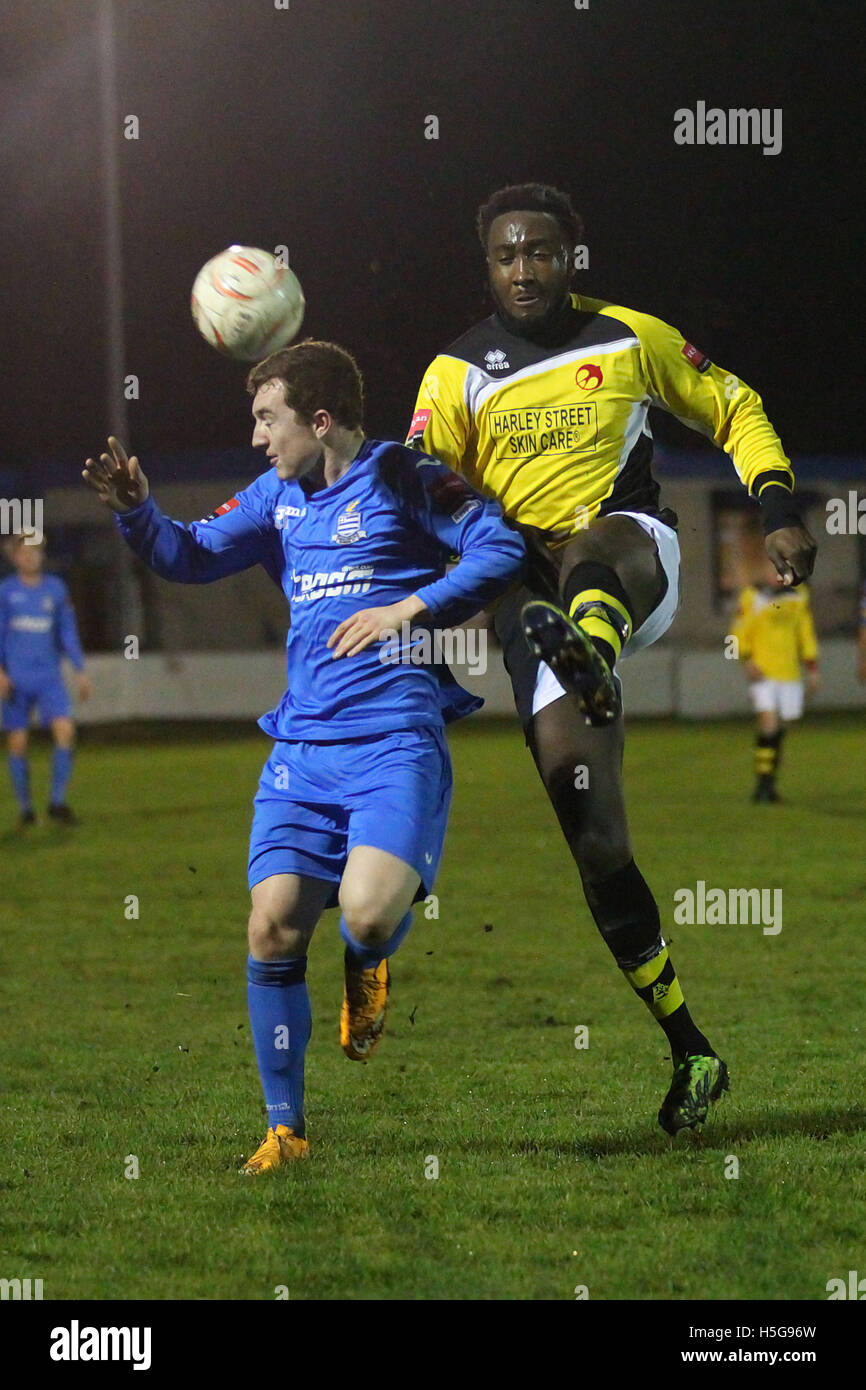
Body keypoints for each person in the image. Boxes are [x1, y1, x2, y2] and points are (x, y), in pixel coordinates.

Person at [407, 182, 817, 1134]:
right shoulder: (455, 374)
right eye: (508, 255)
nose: (524, 270)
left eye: (542, 252)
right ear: (488, 264)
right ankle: (692, 1047)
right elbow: (423, 484)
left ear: (570, 258)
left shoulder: (629, 337)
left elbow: (731, 402)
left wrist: (779, 510)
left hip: (635, 558)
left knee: (591, 549)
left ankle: (590, 648)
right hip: (529, 597)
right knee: (589, 827)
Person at [83, 339, 525, 1171]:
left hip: (396, 742)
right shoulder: (275, 498)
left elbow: (499, 548)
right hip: (304, 753)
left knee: (365, 914)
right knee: (273, 925)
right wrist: (136, 510)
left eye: (266, 419)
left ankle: (368, 965)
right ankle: (285, 1128)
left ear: (319, 421)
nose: (257, 438)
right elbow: (186, 554)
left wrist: (412, 607)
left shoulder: (406, 476)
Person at [0, 530, 91, 825]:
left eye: (35, 551)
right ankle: (26, 809)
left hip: (49, 677)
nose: (31, 557)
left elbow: (67, 633)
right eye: (25, 552)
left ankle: (57, 802)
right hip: (17, 680)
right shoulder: (6, 592)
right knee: (17, 743)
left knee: (65, 732)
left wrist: (80, 671)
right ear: (15, 558)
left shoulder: (55, 589)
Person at [732, 558, 819, 802]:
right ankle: (762, 784)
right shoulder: (752, 596)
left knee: (781, 727)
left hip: (790, 671)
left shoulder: (799, 596)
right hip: (763, 671)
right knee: (768, 722)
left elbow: (806, 632)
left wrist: (812, 668)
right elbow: (739, 632)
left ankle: (769, 782)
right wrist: (746, 660)